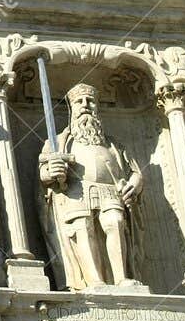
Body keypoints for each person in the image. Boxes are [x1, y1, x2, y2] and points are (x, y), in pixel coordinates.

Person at [38, 83, 142, 289]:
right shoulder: (58, 142)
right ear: (72, 108)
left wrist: (134, 185)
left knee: (116, 222)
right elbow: (43, 174)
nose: (85, 105)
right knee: (83, 228)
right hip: (75, 192)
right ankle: (95, 281)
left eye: (90, 101)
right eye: (79, 101)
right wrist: (53, 172)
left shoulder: (113, 144)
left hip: (111, 191)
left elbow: (135, 172)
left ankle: (122, 278)